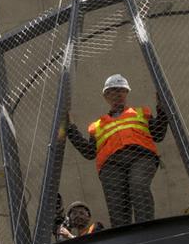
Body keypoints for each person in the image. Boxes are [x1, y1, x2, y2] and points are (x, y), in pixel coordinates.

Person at [66, 74, 168, 228]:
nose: (118, 94)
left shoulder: (141, 113)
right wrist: (70, 128)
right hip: (111, 165)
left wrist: (162, 108)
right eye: (113, 91)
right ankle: (124, 238)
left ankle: (146, 229)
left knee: (138, 185)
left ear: (127, 93)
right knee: (117, 205)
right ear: (106, 96)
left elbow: (158, 134)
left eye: (121, 90)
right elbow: (89, 152)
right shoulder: (97, 125)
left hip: (141, 157)